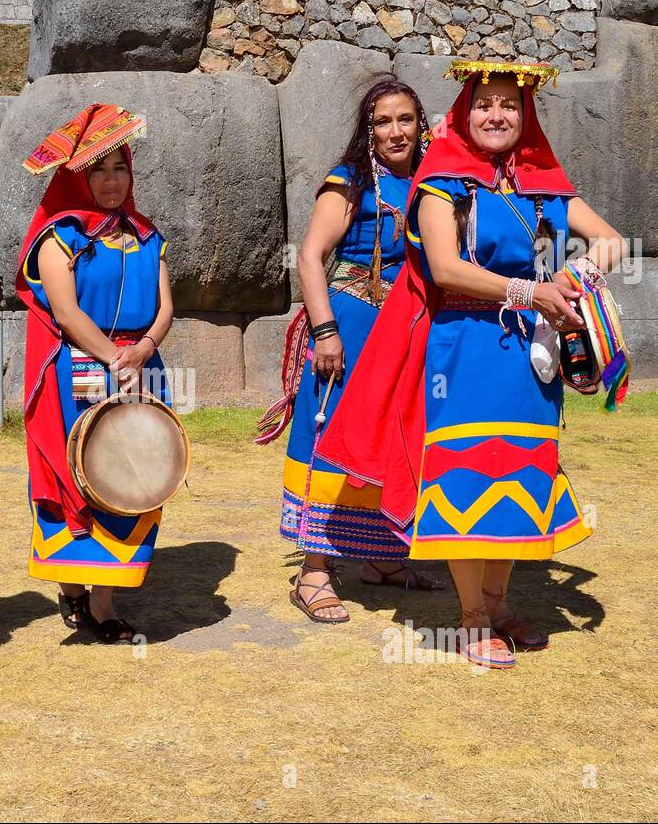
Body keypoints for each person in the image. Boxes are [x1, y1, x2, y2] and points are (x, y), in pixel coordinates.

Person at [316, 60, 626, 669]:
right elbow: (445, 267)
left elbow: (612, 240)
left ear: (524, 114)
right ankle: (472, 618)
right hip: (463, 348)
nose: (497, 115)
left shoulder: (542, 183)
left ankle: (501, 604)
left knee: (518, 475)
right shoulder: (442, 183)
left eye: (509, 105)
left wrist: (568, 280)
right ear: (464, 110)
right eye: (485, 104)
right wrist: (526, 292)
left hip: (528, 356)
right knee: (468, 476)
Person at [257, 79, 440, 624]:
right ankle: (313, 572)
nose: (395, 131)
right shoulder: (351, 181)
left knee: (396, 437)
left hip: (408, 329)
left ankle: (382, 560)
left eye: (405, 119)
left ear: (420, 123)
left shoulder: (436, 181)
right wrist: (325, 331)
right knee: (332, 433)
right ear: (368, 130)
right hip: (353, 323)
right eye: (383, 122)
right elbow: (311, 257)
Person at [17, 103, 175, 645]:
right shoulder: (59, 236)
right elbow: (66, 313)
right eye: (99, 169)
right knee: (85, 473)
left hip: (142, 365)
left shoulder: (148, 234)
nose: (111, 181)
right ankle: (74, 588)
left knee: (133, 471)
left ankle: (104, 603)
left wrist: (145, 347)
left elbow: (165, 306)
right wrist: (115, 357)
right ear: (78, 176)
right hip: (84, 366)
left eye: (120, 168)